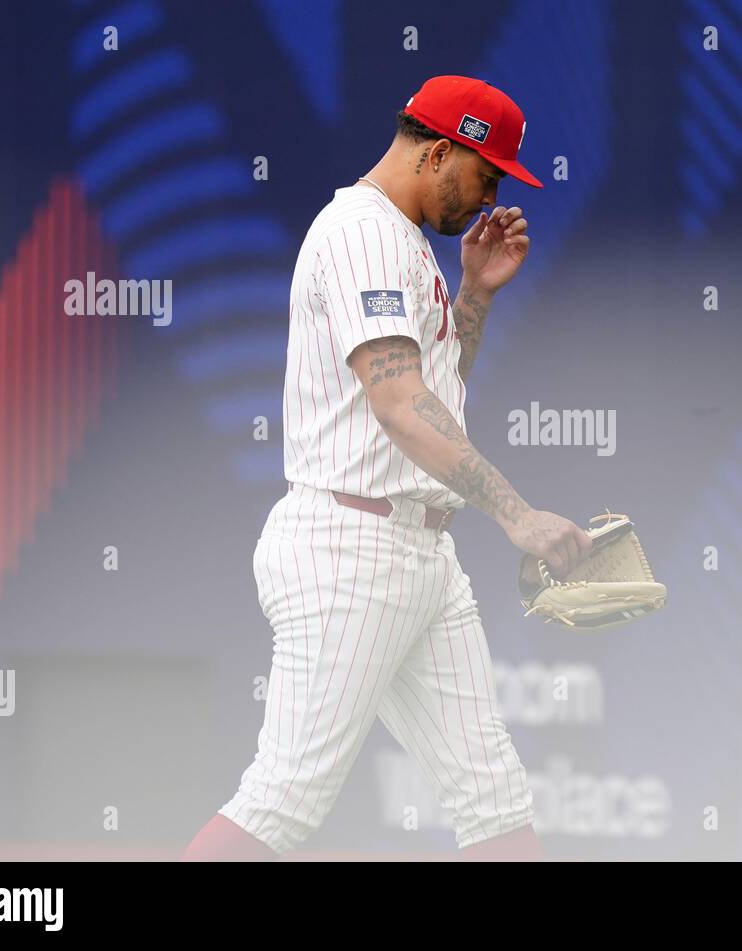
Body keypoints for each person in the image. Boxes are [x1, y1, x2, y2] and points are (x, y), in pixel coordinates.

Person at [184, 75, 592, 862]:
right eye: (487, 174)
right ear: (440, 150)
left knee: (494, 797)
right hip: (350, 543)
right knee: (285, 796)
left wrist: (474, 294)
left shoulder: (405, 243)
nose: (491, 197)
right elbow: (400, 405)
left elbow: (435, 391)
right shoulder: (362, 232)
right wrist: (518, 513)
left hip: (419, 549)